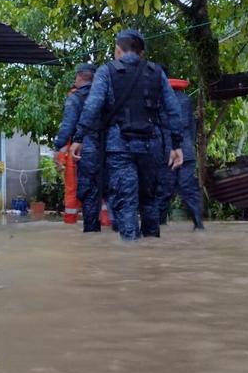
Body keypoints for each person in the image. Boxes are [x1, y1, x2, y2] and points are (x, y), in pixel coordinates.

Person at [70, 29, 183, 240]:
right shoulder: (157, 72)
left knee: (126, 202)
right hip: (152, 146)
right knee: (149, 200)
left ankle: (131, 259)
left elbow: (92, 106)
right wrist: (176, 146)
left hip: (119, 147)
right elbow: (173, 110)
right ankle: (151, 255)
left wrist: (78, 138)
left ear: (118, 49)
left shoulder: (106, 72)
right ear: (141, 52)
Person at [53, 63, 103, 232]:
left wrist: (58, 148)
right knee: (109, 191)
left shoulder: (76, 98)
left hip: (85, 150)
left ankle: (91, 234)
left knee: (87, 192)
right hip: (111, 150)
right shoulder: (107, 96)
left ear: (79, 77)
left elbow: (67, 126)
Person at [157, 74, 205, 230]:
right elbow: (191, 128)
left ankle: (159, 227)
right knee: (188, 189)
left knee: (164, 190)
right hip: (187, 152)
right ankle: (198, 225)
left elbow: (165, 127)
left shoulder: (163, 101)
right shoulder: (186, 100)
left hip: (168, 152)